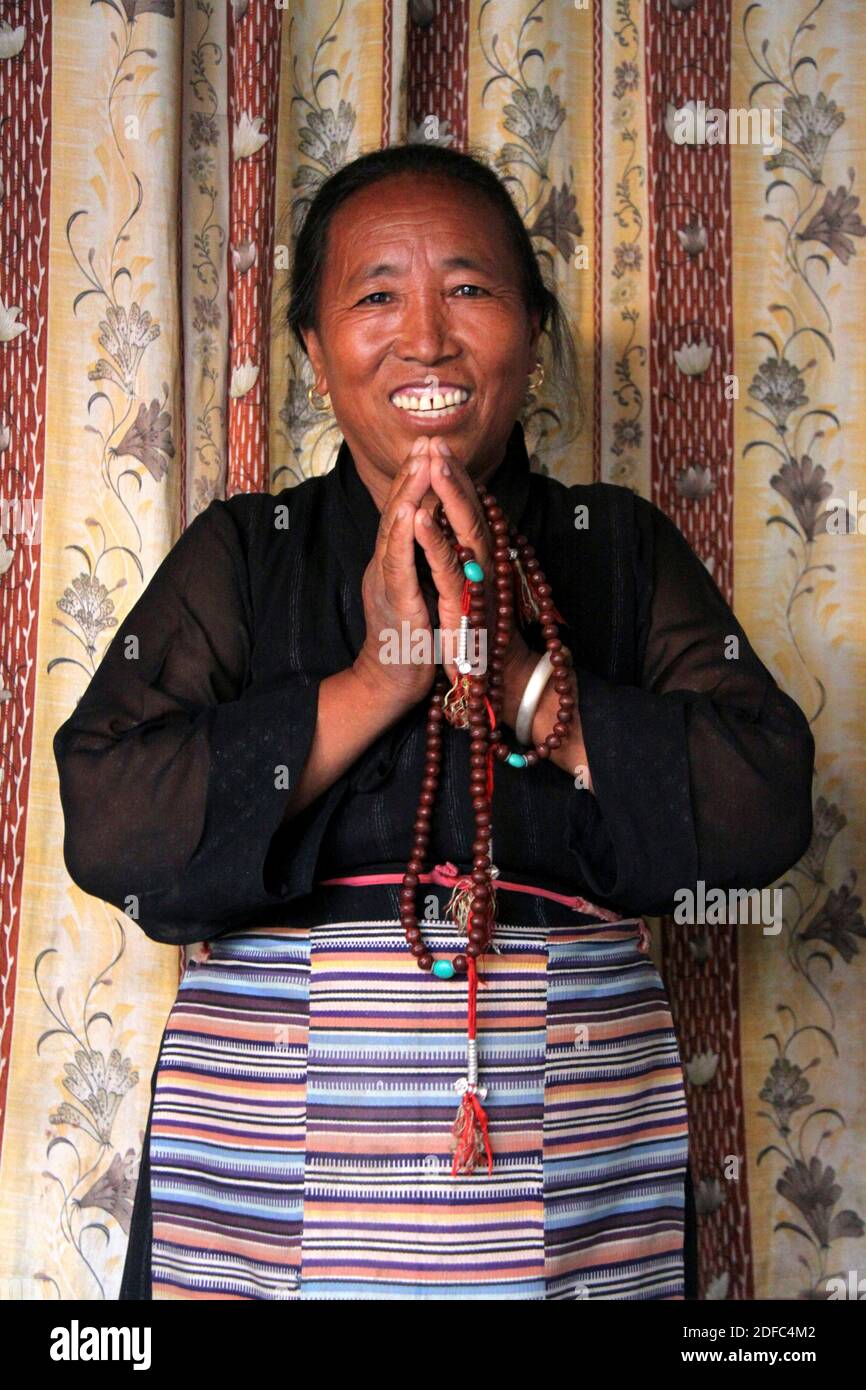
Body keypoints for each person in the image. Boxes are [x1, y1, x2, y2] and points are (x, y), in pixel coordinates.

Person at [53, 143, 814, 1301]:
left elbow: (764, 799)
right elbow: (107, 819)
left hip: (573, 1158)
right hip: (260, 1173)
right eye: (373, 297)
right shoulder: (244, 555)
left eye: (467, 288)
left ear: (533, 333)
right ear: (314, 353)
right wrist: (380, 676)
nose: (424, 338)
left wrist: (516, 681)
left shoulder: (611, 547)